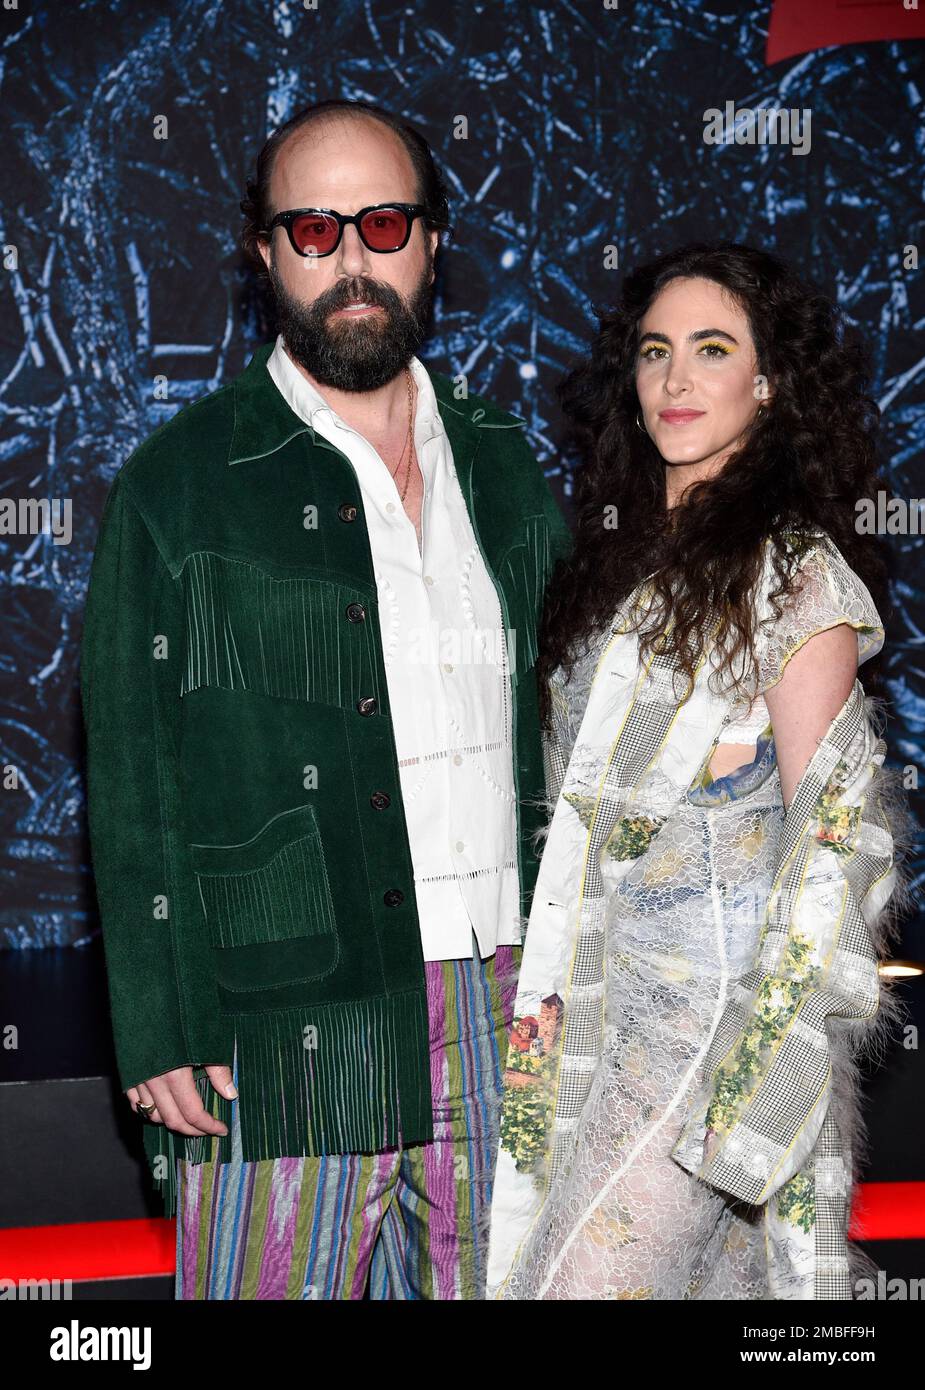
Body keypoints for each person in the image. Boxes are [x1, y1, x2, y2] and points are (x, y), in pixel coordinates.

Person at [79, 97, 571, 1300]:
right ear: (264, 254)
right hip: (279, 1015)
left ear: (433, 241)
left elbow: (565, 729)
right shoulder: (181, 486)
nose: (351, 259)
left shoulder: (504, 461)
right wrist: (156, 1023)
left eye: (383, 220)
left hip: (515, 1004)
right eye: (312, 230)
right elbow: (132, 771)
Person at [485, 241, 915, 1300]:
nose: (675, 380)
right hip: (587, 1013)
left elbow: (836, 839)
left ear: (766, 382)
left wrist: (765, 1080)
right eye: (653, 352)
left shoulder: (792, 573)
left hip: (711, 1036)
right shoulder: (614, 566)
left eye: (711, 350)